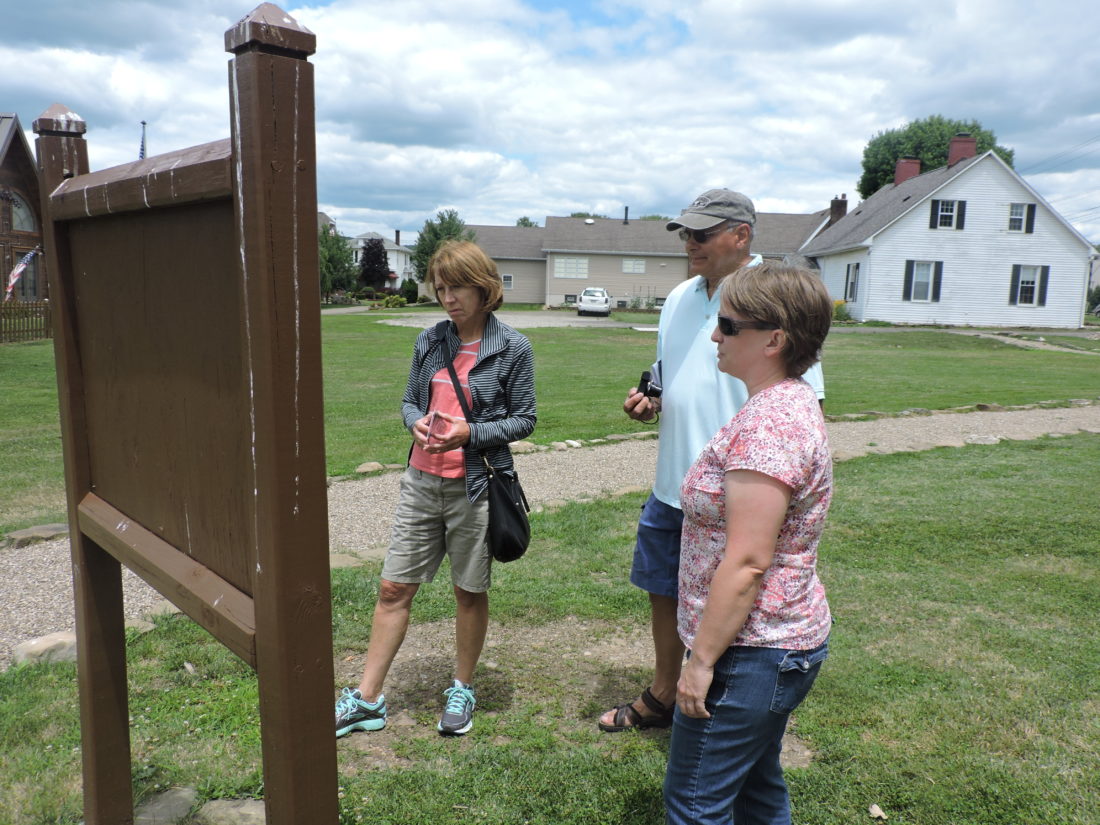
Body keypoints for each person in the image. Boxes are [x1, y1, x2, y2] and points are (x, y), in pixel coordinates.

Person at [599, 189, 824, 732]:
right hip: (672, 485)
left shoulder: (772, 297)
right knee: (664, 589)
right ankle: (662, 692)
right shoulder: (678, 298)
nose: (689, 243)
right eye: (684, 233)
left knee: (732, 597)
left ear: (741, 235)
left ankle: (724, 703)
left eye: (700, 233)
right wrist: (649, 400)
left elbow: (801, 401)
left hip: (740, 494)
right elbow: (666, 371)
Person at [335, 240, 536, 738]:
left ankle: (462, 688)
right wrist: (416, 424)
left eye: (457, 288)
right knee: (392, 586)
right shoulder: (430, 341)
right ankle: (367, 700)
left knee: (469, 592)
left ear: (484, 288)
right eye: (441, 288)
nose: (448, 298)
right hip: (421, 482)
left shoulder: (513, 348)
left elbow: (525, 419)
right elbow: (408, 401)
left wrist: (469, 433)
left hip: (474, 488)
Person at [663, 261, 833, 824]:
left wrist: (701, 661)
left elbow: (748, 561)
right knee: (758, 789)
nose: (715, 334)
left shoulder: (770, 426)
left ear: (774, 340)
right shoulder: (784, 403)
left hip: (751, 649)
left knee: (695, 803)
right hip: (773, 643)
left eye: (729, 326)